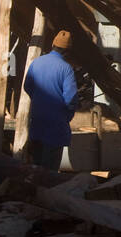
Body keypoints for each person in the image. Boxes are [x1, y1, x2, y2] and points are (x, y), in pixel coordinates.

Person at [22, 30, 80, 170]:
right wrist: (68, 115)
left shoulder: (36, 63)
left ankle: (34, 190)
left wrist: (39, 101)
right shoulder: (66, 69)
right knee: (50, 171)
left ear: (53, 44)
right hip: (55, 127)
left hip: (37, 123)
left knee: (36, 167)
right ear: (67, 51)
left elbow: (27, 86)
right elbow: (70, 99)